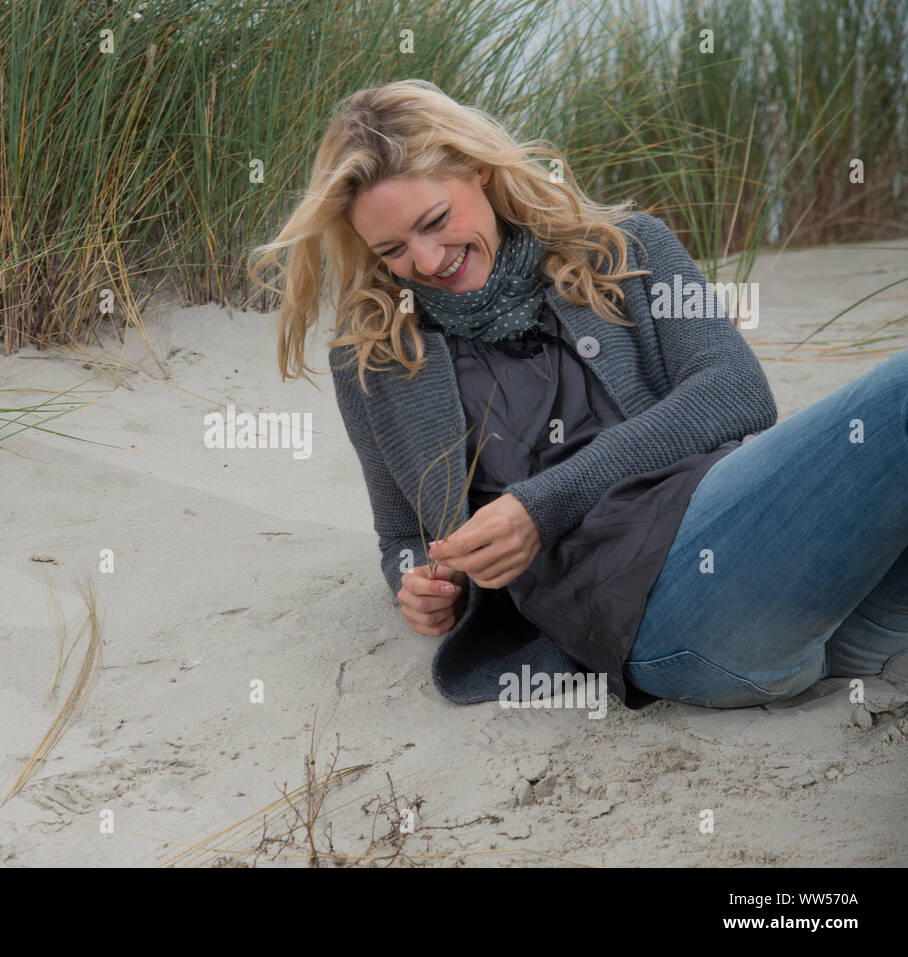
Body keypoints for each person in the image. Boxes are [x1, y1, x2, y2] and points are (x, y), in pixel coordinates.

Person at [249, 78, 908, 710]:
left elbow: (736, 392)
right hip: (662, 616)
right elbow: (401, 532)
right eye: (392, 248)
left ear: (478, 169)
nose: (426, 261)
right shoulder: (374, 357)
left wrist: (541, 504)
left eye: (436, 220)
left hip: (800, 596)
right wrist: (420, 586)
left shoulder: (630, 248)